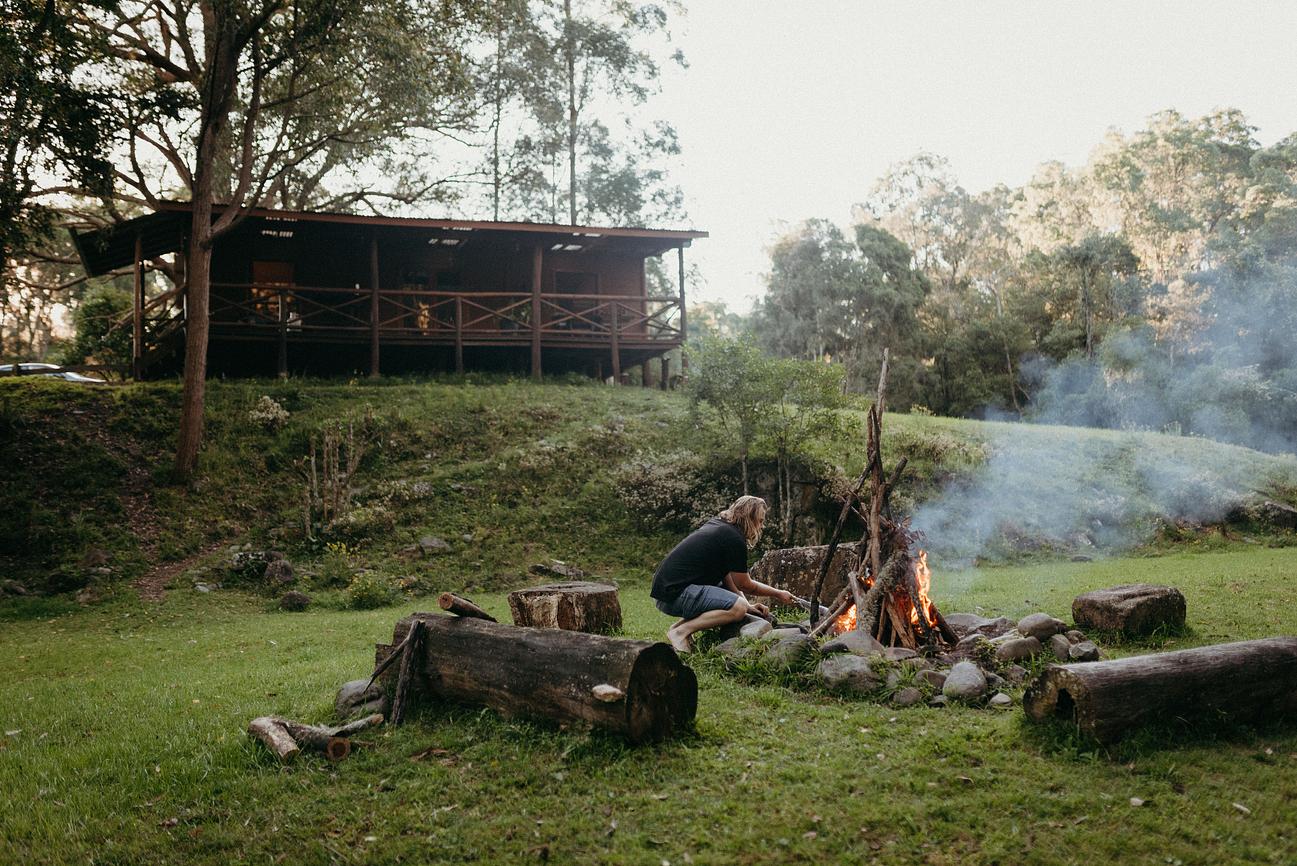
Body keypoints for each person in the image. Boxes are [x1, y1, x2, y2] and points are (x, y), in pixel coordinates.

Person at [651, 495, 794, 653]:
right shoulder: (733, 539)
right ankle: (680, 632)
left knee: (741, 605)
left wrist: (749, 606)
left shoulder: (721, 527)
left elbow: (727, 577)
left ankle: (680, 628)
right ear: (749, 519)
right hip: (674, 595)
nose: (762, 526)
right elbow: (745, 584)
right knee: (737, 609)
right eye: (760, 520)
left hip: (667, 593)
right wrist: (779, 593)